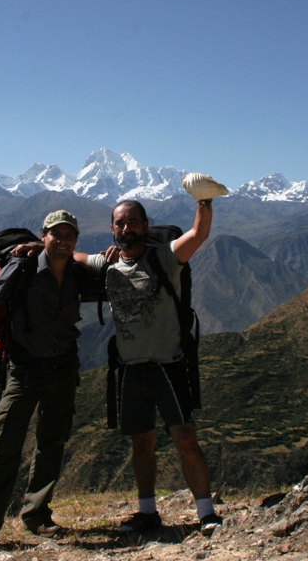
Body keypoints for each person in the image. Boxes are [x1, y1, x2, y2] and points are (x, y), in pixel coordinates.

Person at [0, 210, 97, 555]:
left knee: (53, 442)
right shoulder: (23, 267)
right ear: (43, 236)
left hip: (63, 369)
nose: (63, 242)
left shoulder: (77, 273)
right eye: (56, 235)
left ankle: (37, 514)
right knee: (3, 444)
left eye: (69, 236)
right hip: (24, 370)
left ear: (75, 240)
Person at [85, 198, 223, 535]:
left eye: (133, 222)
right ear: (112, 229)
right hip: (131, 369)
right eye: (120, 223)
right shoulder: (108, 264)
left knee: (185, 438)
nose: (126, 228)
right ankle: (147, 512)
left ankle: (206, 513)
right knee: (141, 444)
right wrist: (33, 246)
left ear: (145, 226)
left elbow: (198, 234)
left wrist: (203, 199)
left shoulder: (164, 257)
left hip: (167, 365)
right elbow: (68, 256)